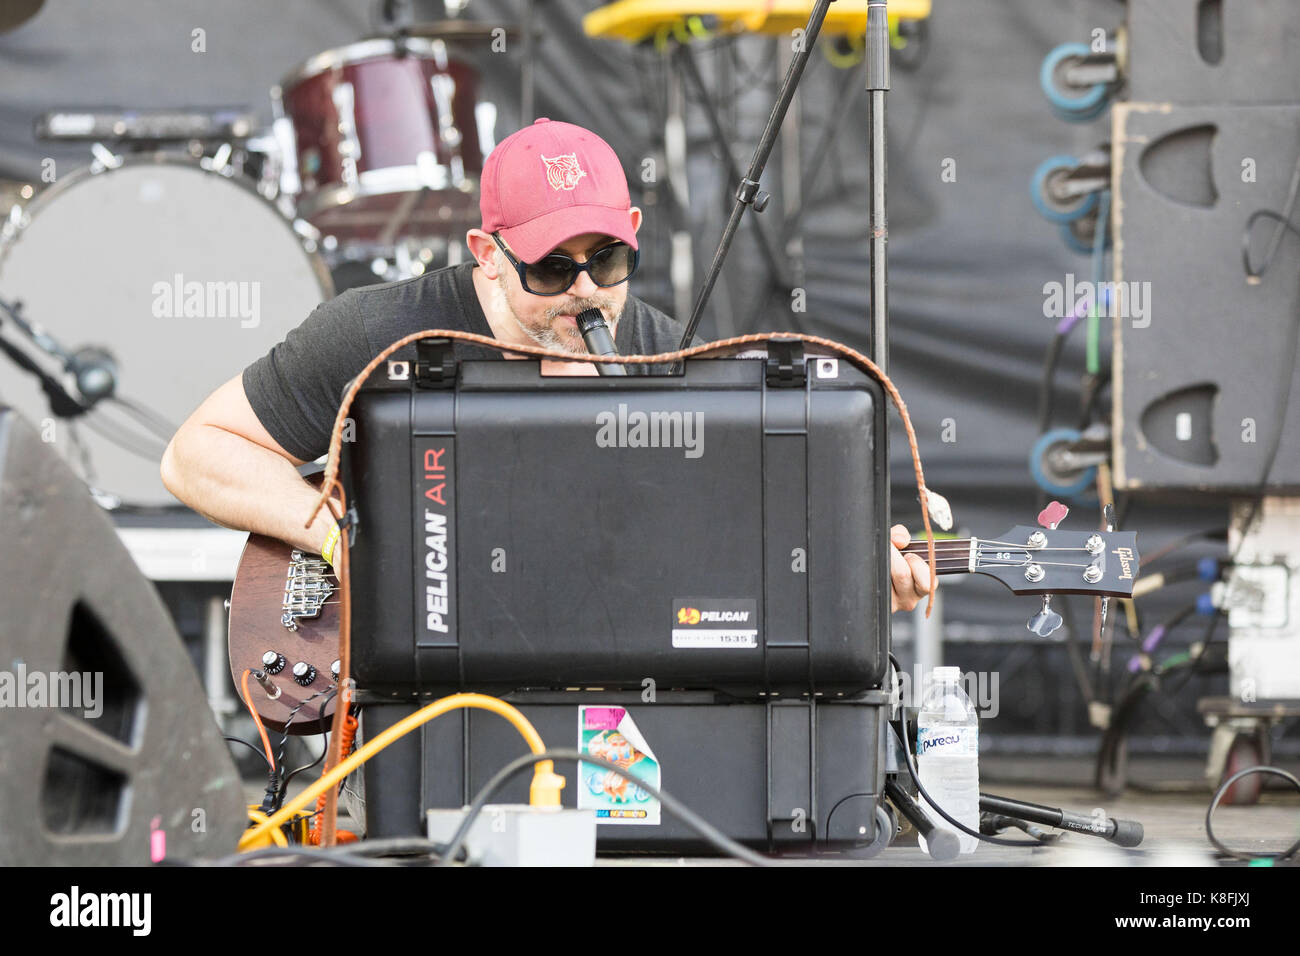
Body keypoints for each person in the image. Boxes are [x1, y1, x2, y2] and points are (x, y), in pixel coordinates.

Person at [160, 118, 931, 612]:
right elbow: (195, 454)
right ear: (487, 257)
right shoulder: (375, 331)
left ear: (634, 233)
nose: (586, 291)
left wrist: (847, 562)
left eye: (607, 259)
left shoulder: (661, 352)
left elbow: (719, 536)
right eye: (550, 271)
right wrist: (344, 538)